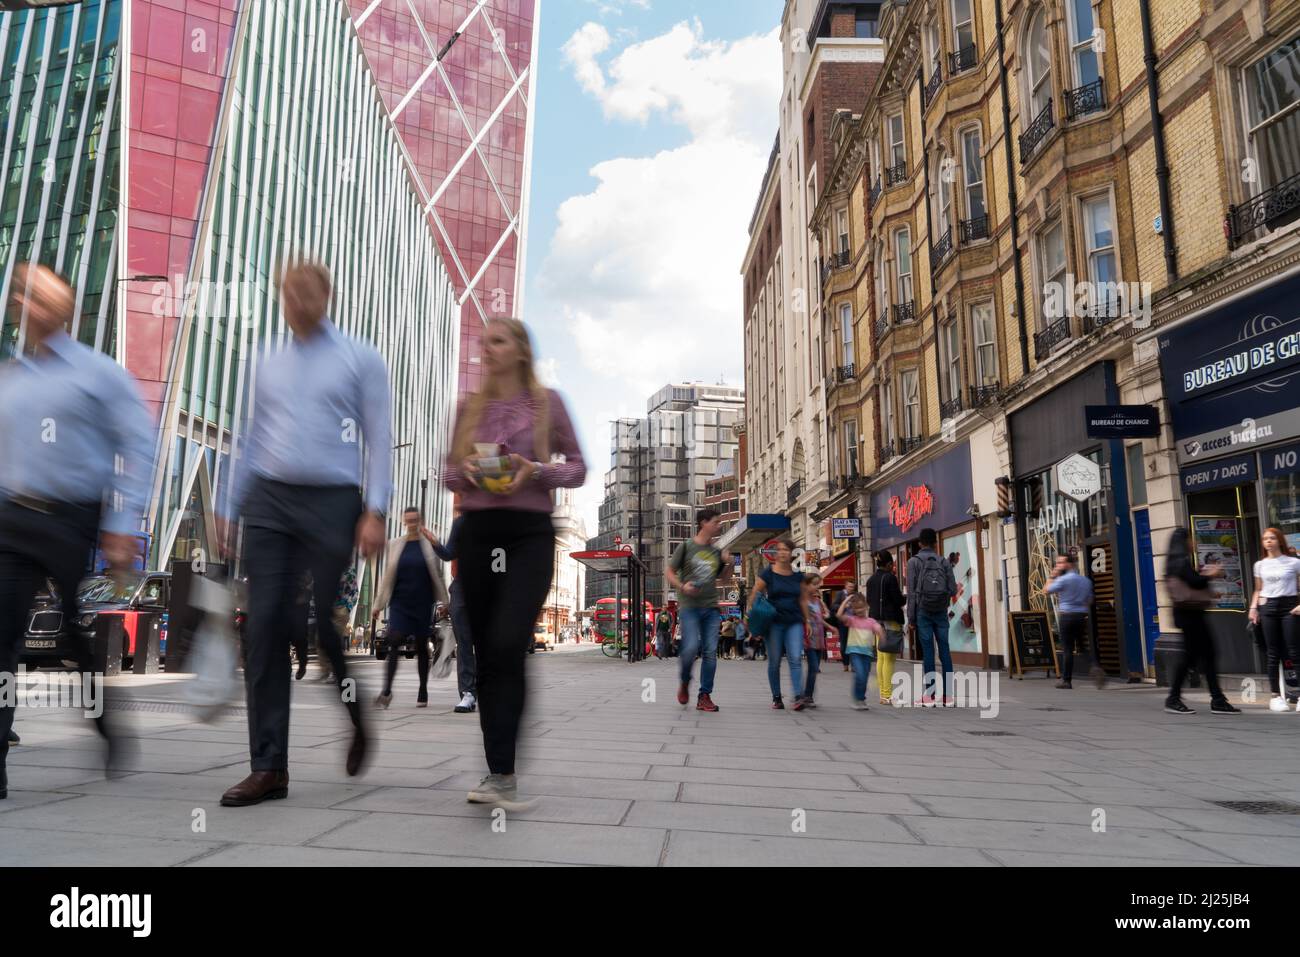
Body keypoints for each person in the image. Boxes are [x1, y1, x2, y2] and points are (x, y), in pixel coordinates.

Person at [217, 261, 390, 807]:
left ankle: (355, 713)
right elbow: (252, 438)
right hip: (269, 499)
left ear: (327, 294)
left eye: (306, 291)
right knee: (263, 623)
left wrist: (376, 510)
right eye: (287, 292)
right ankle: (268, 766)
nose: (296, 301)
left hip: (333, 502)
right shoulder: (267, 360)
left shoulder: (360, 358)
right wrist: (227, 504)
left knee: (325, 629)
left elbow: (379, 441)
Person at [0, 264, 153, 801]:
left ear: (63, 310)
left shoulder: (99, 374)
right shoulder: (10, 379)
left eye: (39, 297)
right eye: (22, 296)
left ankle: (103, 720)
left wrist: (121, 523)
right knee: (2, 641)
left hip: (70, 518)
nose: (27, 305)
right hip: (11, 519)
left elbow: (138, 445)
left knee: (69, 636)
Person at [444, 318, 586, 809]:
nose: (489, 350)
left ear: (522, 348)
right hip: (480, 534)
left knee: (507, 643)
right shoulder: (468, 407)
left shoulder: (549, 403)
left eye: (499, 341)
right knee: (486, 652)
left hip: (528, 534)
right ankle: (498, 773)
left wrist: (538, 470)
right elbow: (445, 472)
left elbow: (578, 468)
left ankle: (503, 772)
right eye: (484, 344)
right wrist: (464, 471)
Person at [372, 507, 450, 709]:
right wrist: (378, 605)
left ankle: (423, 690)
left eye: (415, 519)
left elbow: (438, 576)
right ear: (403, 521)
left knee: (422, 646)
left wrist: (444, 602)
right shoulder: (395, 544)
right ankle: (386, 691)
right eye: (409, 520)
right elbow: (387, 577)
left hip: (423, 602)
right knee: (394, 640)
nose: (412, 523)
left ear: (420, 520)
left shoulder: (428, 544)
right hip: (400, 602)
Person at [1165, 528, 1239, 715]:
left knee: (1204, 655)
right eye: (1191, 539)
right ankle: (1176, 698)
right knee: (1198, 656)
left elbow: (1191, 583)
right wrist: (1211, 574)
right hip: (1190, 615)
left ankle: (1216, 699)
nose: (1194, 543)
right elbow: (1195, 582)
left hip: (1190, 614)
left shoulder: (1175, 562)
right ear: (1184, 542)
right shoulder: (1180, 563)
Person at [666, 508, 731, 713]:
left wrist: (728, 563)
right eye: (716, 521)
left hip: (711, 607)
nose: (719, 525)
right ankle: (685, 681)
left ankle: (704, 695)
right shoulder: (687, 547)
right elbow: (669, 571)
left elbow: (724, 580)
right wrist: (682, 586)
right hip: (690, 607)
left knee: (710, 653)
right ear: (703, 523)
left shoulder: (716, 551)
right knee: (691, 648)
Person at [750, 540, 809, 710]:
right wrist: (753, 616)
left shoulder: (798, 575)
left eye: (786, 550)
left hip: (794, 621)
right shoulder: (768, 573)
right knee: (774, 661)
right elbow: (755, 592)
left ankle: (798, 696)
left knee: (795, 658)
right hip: (774, 622)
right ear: (776, 553)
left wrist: (808, 620)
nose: (783, 553)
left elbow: (803, 599)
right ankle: (777, 697)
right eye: (780, 550)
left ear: (792, 553)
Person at [428, 516, 477, 713]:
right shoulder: (460, 523)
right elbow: (448, 554)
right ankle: (467, 693)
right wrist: (436, 543)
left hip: (487, 589)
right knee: (464, 644)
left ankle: (486, 690)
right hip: (461, 589)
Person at [1248, 527, 1300, 713]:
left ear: (1279, 540)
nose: (1268, 541)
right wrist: (1254, 608)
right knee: (1272, 653)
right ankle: (1275, 695)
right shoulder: (1260, 565)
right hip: (1268, 607)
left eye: (1272, 538)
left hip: (1290, 607)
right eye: (1265, 539)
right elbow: (1258, 589)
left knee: (1294, 651)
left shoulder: (1293, 562)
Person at [906, 528, 959, 706]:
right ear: (935, 542)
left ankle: (929, 695)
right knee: (945, 651)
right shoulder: (943, 561)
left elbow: (912, 593)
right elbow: (952, 589)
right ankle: (948, 695)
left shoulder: (913, 562)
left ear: (920, 543)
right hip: (941, 612)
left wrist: (911, 618)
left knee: (928, 653)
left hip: (923, 612)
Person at [1043, 551, 1096, 691]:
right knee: (1082, 646)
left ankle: (1066, 681)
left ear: (1069, 564)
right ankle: (1095, 666)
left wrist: (1052, 575)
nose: (1058, 565)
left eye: (1061, 563)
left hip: (1067, 616)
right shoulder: (1085, 581)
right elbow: (1089, 600)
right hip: (1081, 616)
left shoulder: (1063, 579)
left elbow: (1046, 590)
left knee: (1067, 649)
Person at [866, 551, 905, 706]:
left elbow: (869, 600)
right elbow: (898, 600)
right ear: (889, 564)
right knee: (889, 659)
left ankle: (883, 693)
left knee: (881, 658)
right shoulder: (890, 578)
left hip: (876, 621)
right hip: (890, 621)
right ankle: (887, 695)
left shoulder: (871, 579)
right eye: (892, 564)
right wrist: (904, 598)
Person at [837, 593, 884, 710]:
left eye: (861, 607)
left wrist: (882, 636)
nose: (859, 610)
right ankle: (857, 699)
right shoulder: (851, 620)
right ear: (852, 609)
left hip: (867, 653)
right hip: (855, 652)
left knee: (864, 677)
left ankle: (861, 699)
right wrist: (846, 600)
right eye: (856, 608)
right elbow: (838, 615)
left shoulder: (871, 621)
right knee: (860, 674)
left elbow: (878, 629)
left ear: (866, 606)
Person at [801, 573, 827, 708]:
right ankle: (807, 696)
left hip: (819, 638)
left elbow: (821, 618)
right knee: (813, 668)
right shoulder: (803, 600)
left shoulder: (817, 600)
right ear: (807, 584)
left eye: (818, 584)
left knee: (814, 668)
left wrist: (831, 627)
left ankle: (808, 695)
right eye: (815, 584)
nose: (818, 587)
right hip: (809, 638)